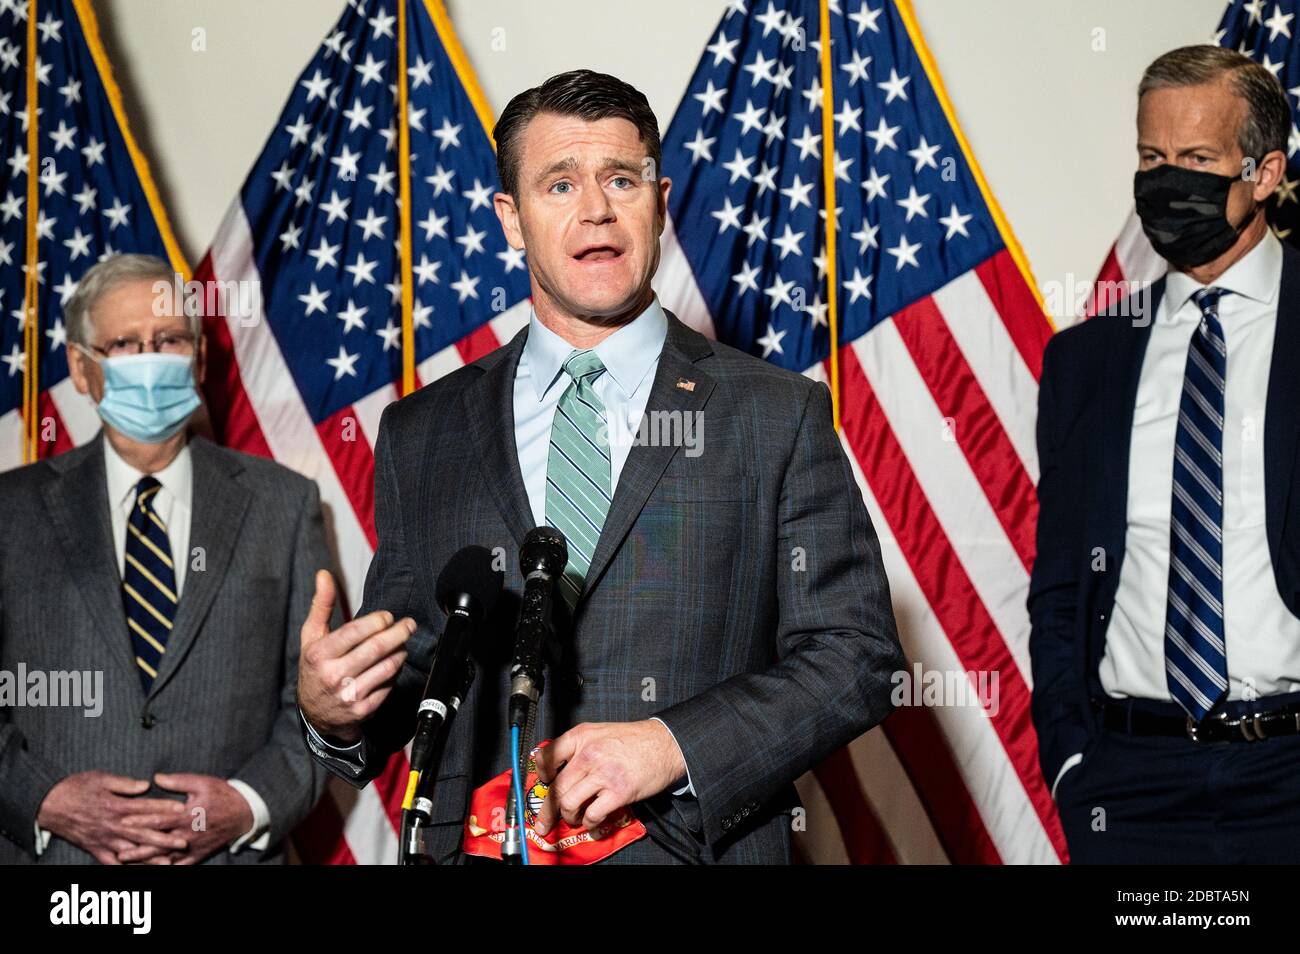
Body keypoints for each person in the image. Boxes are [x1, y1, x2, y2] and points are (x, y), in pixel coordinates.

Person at [297, 69, 904, 864]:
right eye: (559, 184)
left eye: (622, 178)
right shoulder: (421, 430)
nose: (596, 209)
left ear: (660, 199)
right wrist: (331, 710)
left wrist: (671, 745)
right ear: (510, 221)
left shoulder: (775, 411)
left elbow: (856, 656)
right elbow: (418, 668)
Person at [1030, 45, 1300, 863]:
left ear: (1266, 172)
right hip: (1132, 785)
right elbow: (1062, 591)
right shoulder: (1087, 360)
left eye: (1196, 160)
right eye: (1152, 158)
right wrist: (1074, 762)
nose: (1165, 181)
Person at [0, 254, 330, 864]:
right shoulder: (9, 513)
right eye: (124, 344)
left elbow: (319, 705)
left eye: (170, 339)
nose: (150, 360)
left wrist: (250, 803)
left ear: (199, 359)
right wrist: (41, 800)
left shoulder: (284, 504)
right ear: (80, 367)